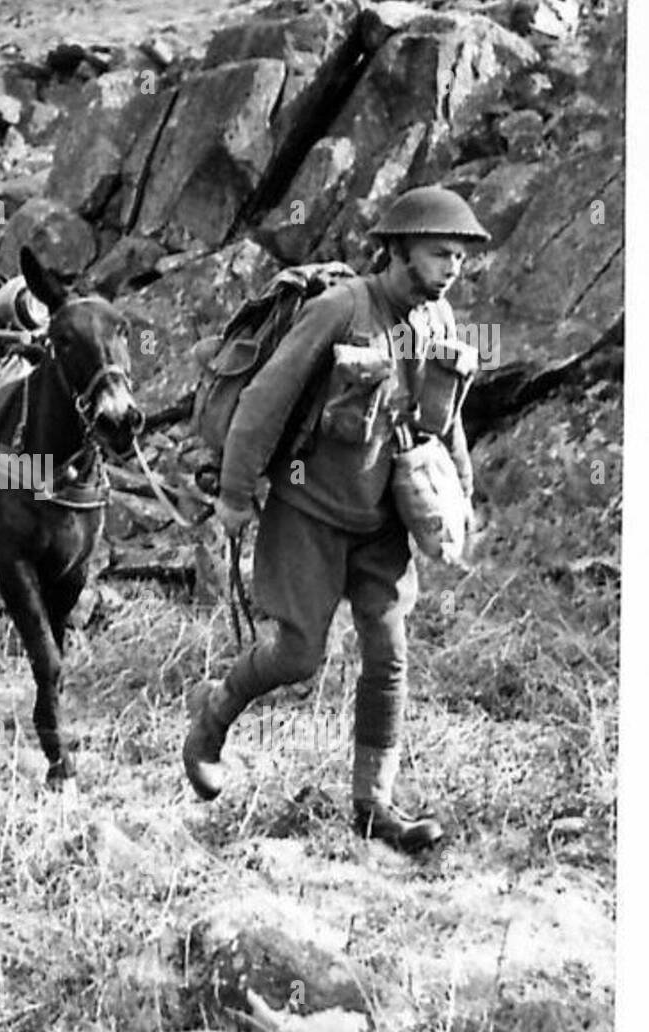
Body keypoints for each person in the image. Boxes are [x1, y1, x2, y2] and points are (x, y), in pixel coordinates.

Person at [183, 186, 489, 853]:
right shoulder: (339, 309)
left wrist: (462, 493)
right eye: (440, 255)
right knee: (297, 654)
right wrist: (235, 495)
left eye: (459, 259)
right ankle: (215, 712)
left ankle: (375, 805)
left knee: (389, 656)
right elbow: (265, 400)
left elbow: (449, 416)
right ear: (400, 249)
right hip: (310, 513)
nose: (450, 269)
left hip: (384, 522)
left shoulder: (438, 320)